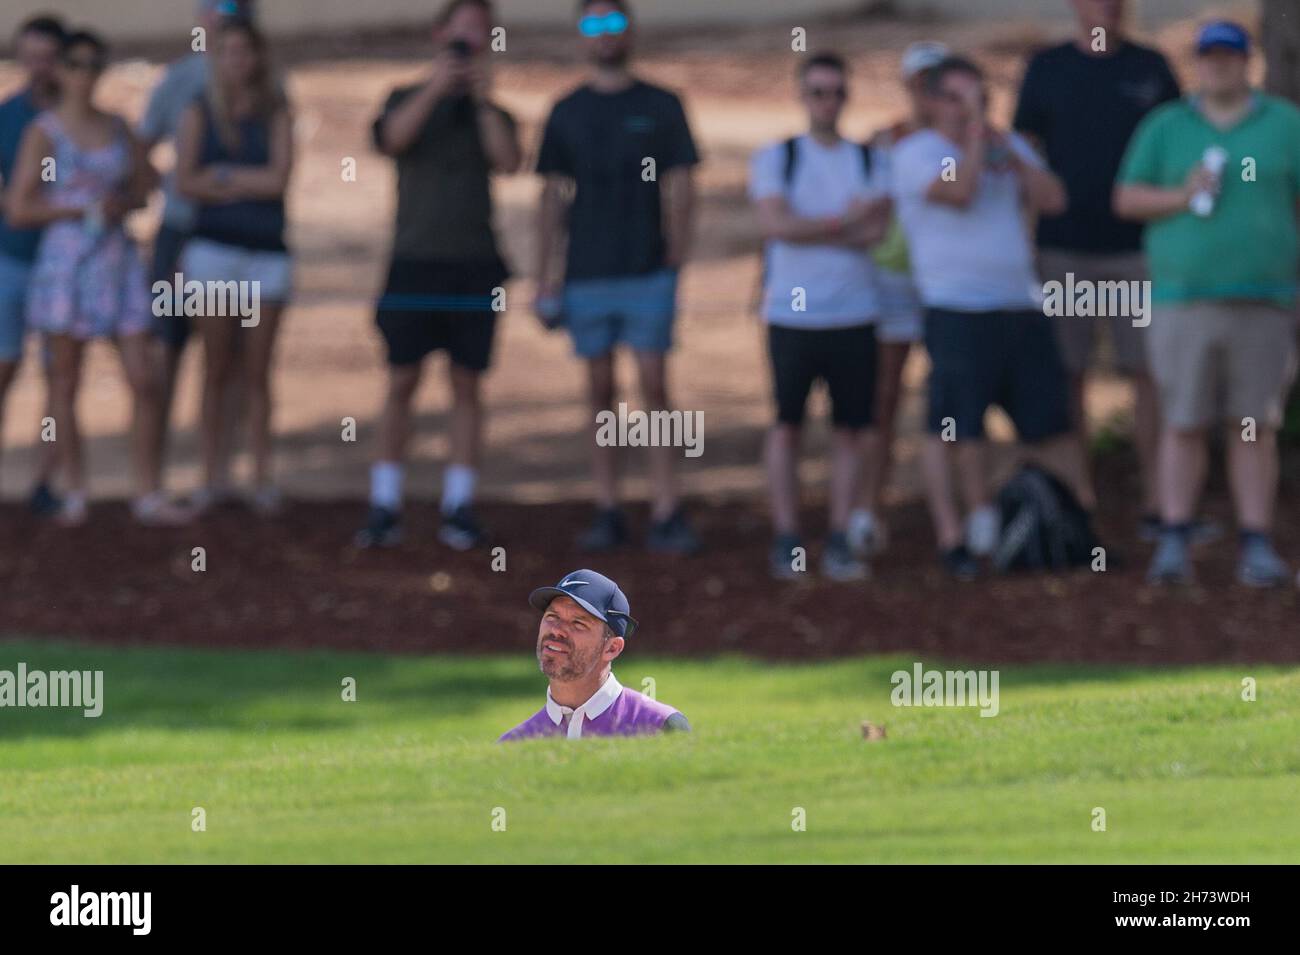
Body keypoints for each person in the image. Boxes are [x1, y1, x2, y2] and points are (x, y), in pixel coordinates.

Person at [890, 56, 1092, 578]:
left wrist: (1014, 154)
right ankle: (957, 535)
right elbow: (961, 192)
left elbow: (1054, 200)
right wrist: (979, 139)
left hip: (1019, 305)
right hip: (956, 307)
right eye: (957, 98)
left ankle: (1076, 528)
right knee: (956, 425)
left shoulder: (1009, 146)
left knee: (1052, 423)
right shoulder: (916, 152)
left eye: (978, 96)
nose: (969, 109)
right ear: (933, 101)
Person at [1114, 21, 1300, 587]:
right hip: (1182, 301)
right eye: (1208, 56)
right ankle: (1174, 543)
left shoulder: (1286, 124)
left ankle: (1255, 545)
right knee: (1184, 421)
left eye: (1229, 55)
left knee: (1253, 427)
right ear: (1196, 63)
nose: (1218, 65)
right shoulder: (1167, 125)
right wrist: (1181, 194)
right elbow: (1126, 198)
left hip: (1265, 302)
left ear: (1247, 61)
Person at [533, 0, 701, 554]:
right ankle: (608, 506)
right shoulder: (567, 111)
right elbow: (553, 198)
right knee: (599, 389)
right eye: (593, 24)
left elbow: (681, 182)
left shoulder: (661, 104)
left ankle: (667, 507)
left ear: (631, 30)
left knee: (654, 386)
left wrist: (676, 254)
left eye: (613, 23)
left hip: (647, 269)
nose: (604, 35)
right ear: (580, 34)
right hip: (586, 271)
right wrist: (544, 277)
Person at [1013, 0, 1184, 540]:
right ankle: (1078, 499)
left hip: (1137, 252)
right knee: (1069, 373)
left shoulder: (1151, 68)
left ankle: (1160, 501)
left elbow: (1176, 150)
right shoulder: (1047, 69)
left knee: (1149, 375)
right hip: (1064, 251)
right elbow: (1024, 153)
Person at [356, 0, 520, 550]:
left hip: (475, 266)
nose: (471, 39)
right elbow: (390, 140)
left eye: (482, 31)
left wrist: (479, 99)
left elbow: (509, 160)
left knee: (468, 382)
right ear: (439, 34)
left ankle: (460, 503)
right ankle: (384, 501)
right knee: (402, 380)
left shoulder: (492, 109)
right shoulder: (405, 97)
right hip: (414, 264)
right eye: (463, 30)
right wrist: (435, 88)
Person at [6, 30, 182, 526]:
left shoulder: (119, 127)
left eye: (94, 64)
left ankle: (147, 490)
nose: (86, 74)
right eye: (77, 64)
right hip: (67, 264)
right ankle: (75, 488)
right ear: (62, 69)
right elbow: (20, 206)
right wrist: (82, 210)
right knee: (64, 380)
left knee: (144, 378)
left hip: (118, 262)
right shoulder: (45, 132)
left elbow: (146, 187)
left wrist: (122, 202)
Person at [749, 53, 892, 580]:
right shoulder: (777, 157)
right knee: (787, 426)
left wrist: (813, 225)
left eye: (835, 91)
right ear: (802, 95)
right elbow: (776, 225)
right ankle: (788, 536)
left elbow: (875, 232)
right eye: (817, 91)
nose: (827, 101)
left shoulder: (870, 160)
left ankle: (837, 537)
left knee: (850, 430)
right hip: (792, 315)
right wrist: (841, 222)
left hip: (856, 313)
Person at [140, 0, 257, 501]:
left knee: (227, 359)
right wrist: (163, 192)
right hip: (181, 235)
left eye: (228, 9)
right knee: (165, 351)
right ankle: (151, 480)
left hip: (238, 240)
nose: (216, 18)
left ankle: (216, 476)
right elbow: (142, 147)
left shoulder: (267, 88)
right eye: (208, 9)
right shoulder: (180, 79)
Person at [175, 17, 293, 514]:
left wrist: (221, 178)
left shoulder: (277, 112)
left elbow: (279, 180)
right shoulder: (199, 112)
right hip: (213, 254)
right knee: (216, 365)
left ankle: (260, 472)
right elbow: (185, 180)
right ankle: (212, 473)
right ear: (216, 57)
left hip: (266, 254)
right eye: (228, 51)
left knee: (258, 368)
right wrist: (248, 180)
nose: (238, 60)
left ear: (258, 56)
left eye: (246, 50)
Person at [846, 40, 948, 561]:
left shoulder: (962, 141)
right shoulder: (882, 142)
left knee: (952, 399)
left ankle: (952, 515)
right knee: (884, 398)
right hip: (892, 280)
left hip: (946, 281)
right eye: (921, 80)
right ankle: (869, 510)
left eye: (939, 78)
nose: (929, 90)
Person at [499, 569, 690, 741]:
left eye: (578, 624)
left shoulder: (661, 727)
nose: (557, 631)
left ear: (612, 648)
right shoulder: (513, 746)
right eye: (552, 617)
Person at [0, 14, 64, 512]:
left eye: (46, 56)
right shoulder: (8, 116)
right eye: (30, 56)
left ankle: (45, 480)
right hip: (13, 259)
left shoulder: (78, 118)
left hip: (65, 268)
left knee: (59, 376)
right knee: (5, 365)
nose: (37, 66)